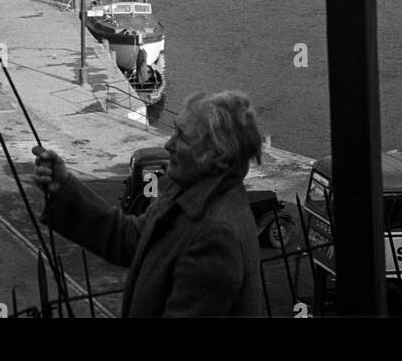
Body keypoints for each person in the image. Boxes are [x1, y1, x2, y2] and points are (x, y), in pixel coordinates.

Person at [32, 91, 264, 318]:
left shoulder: (216, 235)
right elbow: (131, 239)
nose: (168, 144)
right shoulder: (188, 189)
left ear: (217, 155)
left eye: (182, 136)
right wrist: (64, 187)